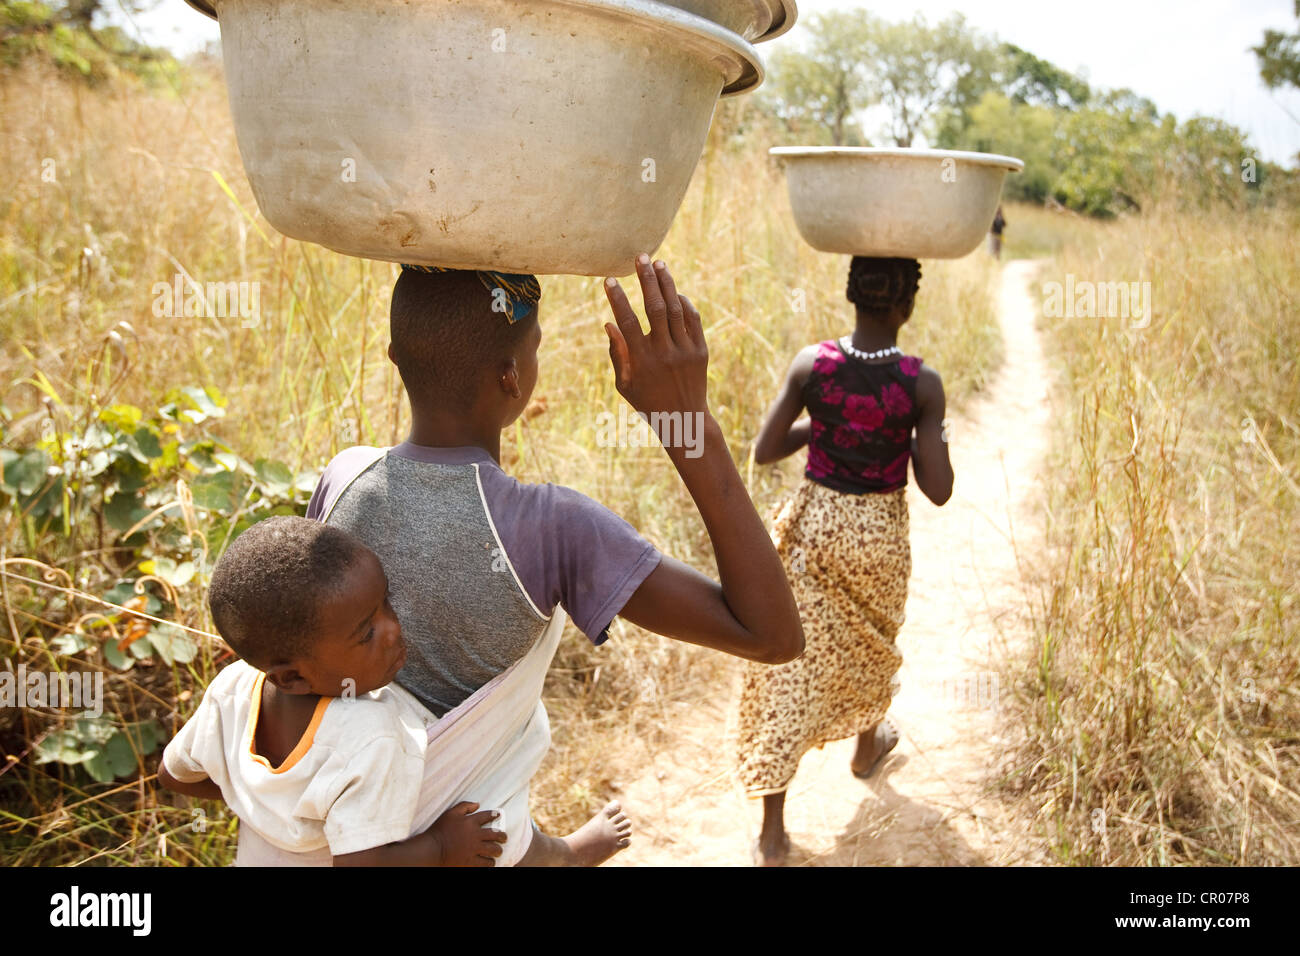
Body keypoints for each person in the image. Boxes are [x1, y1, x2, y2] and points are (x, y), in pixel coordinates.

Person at [306, 255, 804, 866]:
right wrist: (687, 422)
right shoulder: (553, 528)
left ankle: (556, 852)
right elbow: (773, 634)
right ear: (514, 376)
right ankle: (556, 856)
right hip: (475, 840)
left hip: (344, 823)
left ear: (395, 359)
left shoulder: (343, 478)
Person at [736, 256, 954, 866]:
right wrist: (910, 435)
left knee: (788, 665)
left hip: (817, 528)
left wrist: (824, 427)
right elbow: (938, 487)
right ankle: (866, 747)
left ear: (852, 296)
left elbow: (764, 449)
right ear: (907, 304)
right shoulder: (922, 384)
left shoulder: (814, 365)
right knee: (871, 643)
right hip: (879, 534)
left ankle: (774, 832)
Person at [156, 516, 513, 866]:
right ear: (292, 678)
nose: (392, 629)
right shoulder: (370, 734)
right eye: (365, 634)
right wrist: (441, 845)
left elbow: (172, 775)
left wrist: (255, 804)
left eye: (385, 602)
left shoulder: (230, 688)